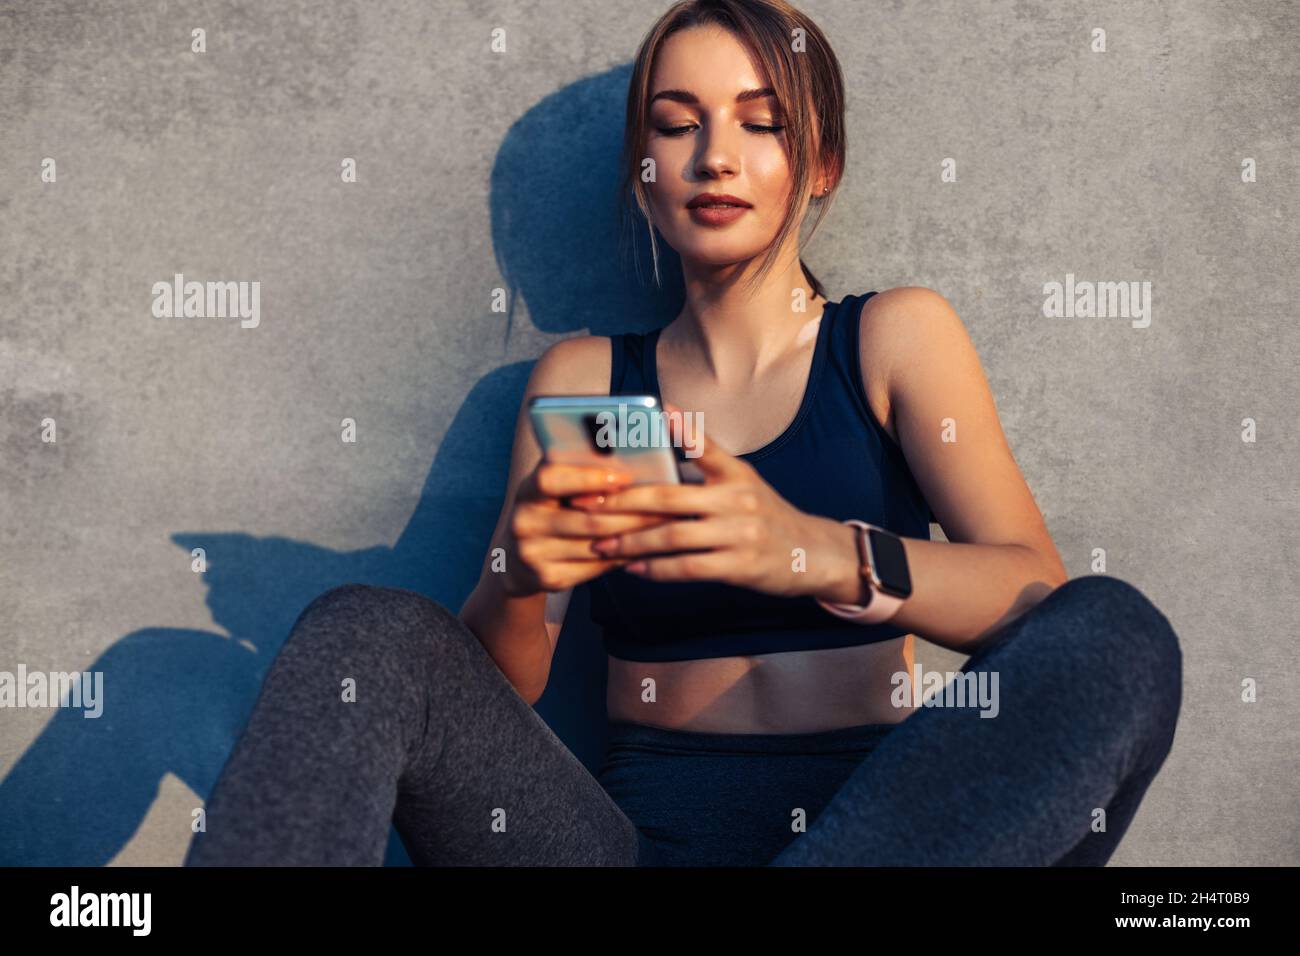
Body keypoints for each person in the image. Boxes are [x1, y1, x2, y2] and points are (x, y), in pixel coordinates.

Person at [184, 0, 1182, 867]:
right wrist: (516, 576)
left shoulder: (892, 337)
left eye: (761, 124)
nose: (714, 156)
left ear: (820, 161)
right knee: (370, 629)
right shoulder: (581, 378)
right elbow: (502, 686)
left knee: (1117, 633)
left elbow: (1040, 603)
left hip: (881, 827)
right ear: (642, 172)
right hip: (628, 841)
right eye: (677, 125)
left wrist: (807, 550)